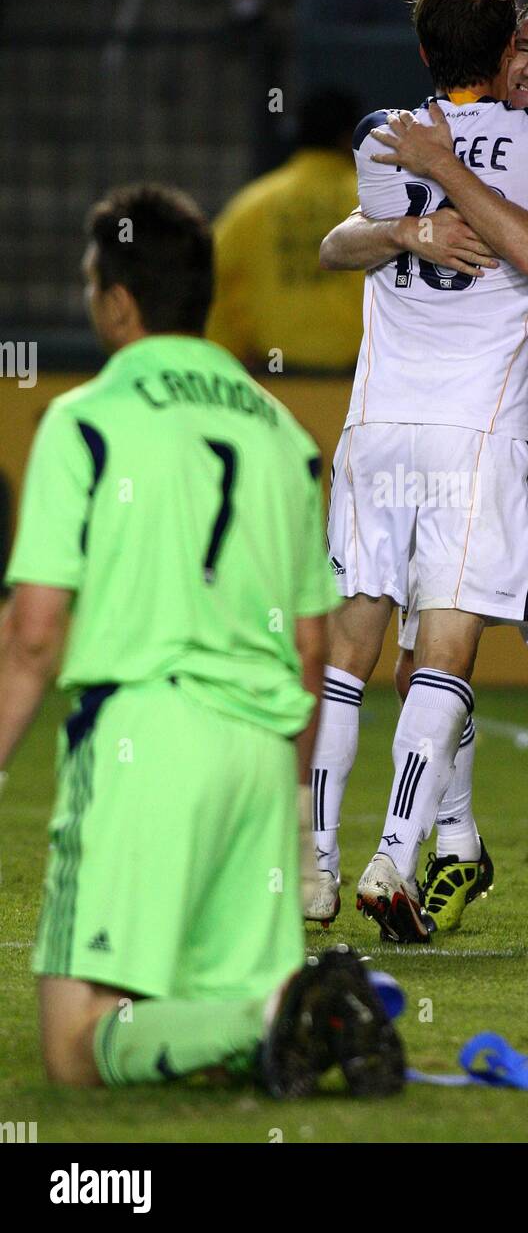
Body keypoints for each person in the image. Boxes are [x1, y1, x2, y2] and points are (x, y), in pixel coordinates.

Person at [0, 184, 402, 1095]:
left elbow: (32, 636)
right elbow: (312, 650)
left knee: (75, 1050)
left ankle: (273, 1014)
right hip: (259, 762)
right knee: (201, 1038)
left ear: (116, 300)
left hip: (144, 746)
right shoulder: (281, 435)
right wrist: (299, 817)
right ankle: (290, 1015)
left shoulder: (85, 419)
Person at [309, 0, 528, 945]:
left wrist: (432, 190)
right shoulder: (496, 133)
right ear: (498, 54)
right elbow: (342, 238)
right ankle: (446, 845)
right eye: (523, 48)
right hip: (473, 425)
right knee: (422, 659)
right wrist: (416, 218)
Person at [206, 90, 365, 373]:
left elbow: (210, 275)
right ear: (349, 138)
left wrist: (228, 352)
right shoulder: (372, 202)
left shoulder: (253, 204)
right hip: (357, 380)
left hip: (273, 379)